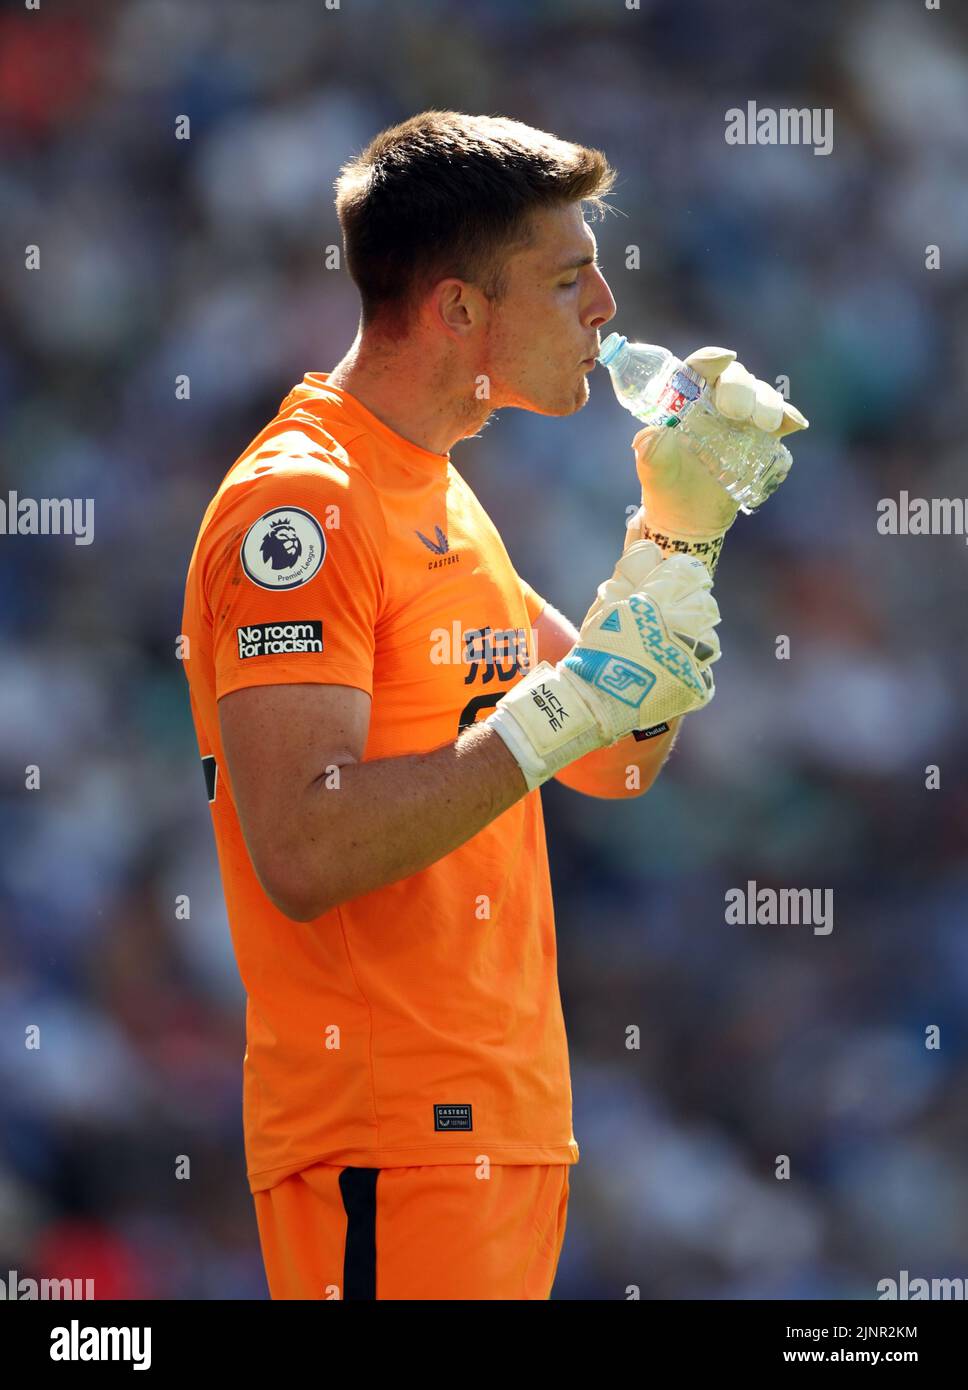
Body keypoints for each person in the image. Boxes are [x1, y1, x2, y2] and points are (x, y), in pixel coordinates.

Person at [180, 110, 804, 1300]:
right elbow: (303, 847)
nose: (605, 309)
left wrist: (676, 537)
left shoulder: (447, 496)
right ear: (460, 309)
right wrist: (558, 711)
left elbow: (614, 756)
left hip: (498, 1127)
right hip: (384, 1132)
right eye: (568, 278)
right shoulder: (304, 505)